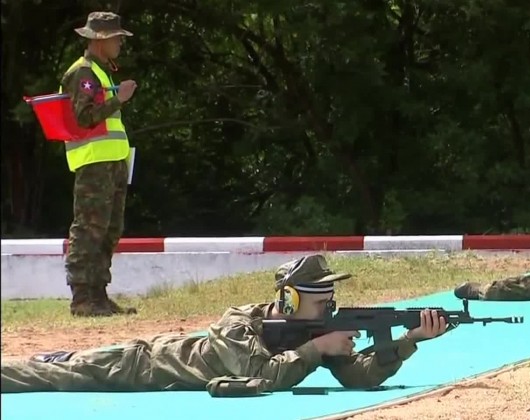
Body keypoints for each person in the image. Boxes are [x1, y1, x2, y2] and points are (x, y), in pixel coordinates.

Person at [0, 255, 449, 394]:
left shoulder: (317, 332)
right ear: (291, 298)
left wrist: (410, 341)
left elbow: (359, 379)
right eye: (321, 297)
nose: (330, 303)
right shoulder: (240, 323)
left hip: (156, 371)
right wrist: (320, 349)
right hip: (142, 364)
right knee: (58, 373)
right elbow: (263, 376)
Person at [61, 12, 139, 316]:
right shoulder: (84, 73)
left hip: (111, 162)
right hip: (94, 163)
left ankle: (98, 296)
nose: (120, 42)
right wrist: (119, 99)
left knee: (108, 230)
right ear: (100, 40)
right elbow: (83, 117)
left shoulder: (98, 72)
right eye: (116, 37)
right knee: (89, 229)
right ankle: (83, 298)